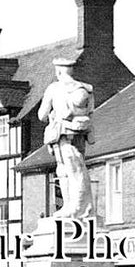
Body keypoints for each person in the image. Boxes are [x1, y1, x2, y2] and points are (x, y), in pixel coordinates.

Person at [38, 57, 95, 220]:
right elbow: (91, 112)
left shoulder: (54, 88)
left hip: (63, 134)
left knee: (68, 169)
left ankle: (77, 207)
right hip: (81, 134)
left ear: (59, 71)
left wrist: (53, 114)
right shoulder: (86, 90)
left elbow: (42, 115)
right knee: (76, 167)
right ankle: (72, 207)